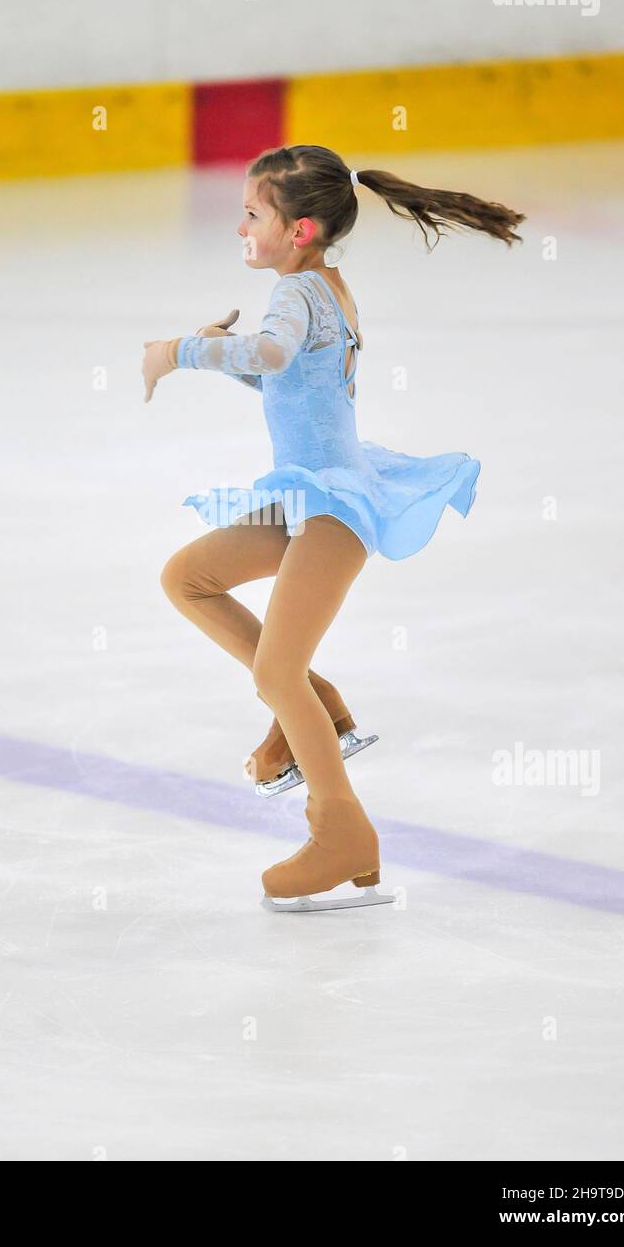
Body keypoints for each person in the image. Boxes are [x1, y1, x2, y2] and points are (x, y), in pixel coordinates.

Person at [142, 144, 524, 911]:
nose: (241, 226)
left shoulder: (294, 297)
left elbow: (275, 348)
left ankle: (340, 833)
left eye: (254, 214)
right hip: (309, 496)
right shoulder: (327, 284)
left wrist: (178, 353)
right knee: (188, 577)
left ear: (300, 229)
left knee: (273, 675)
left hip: (330, 507)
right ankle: (326, 706)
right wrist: (221, 358)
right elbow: (288, 371)